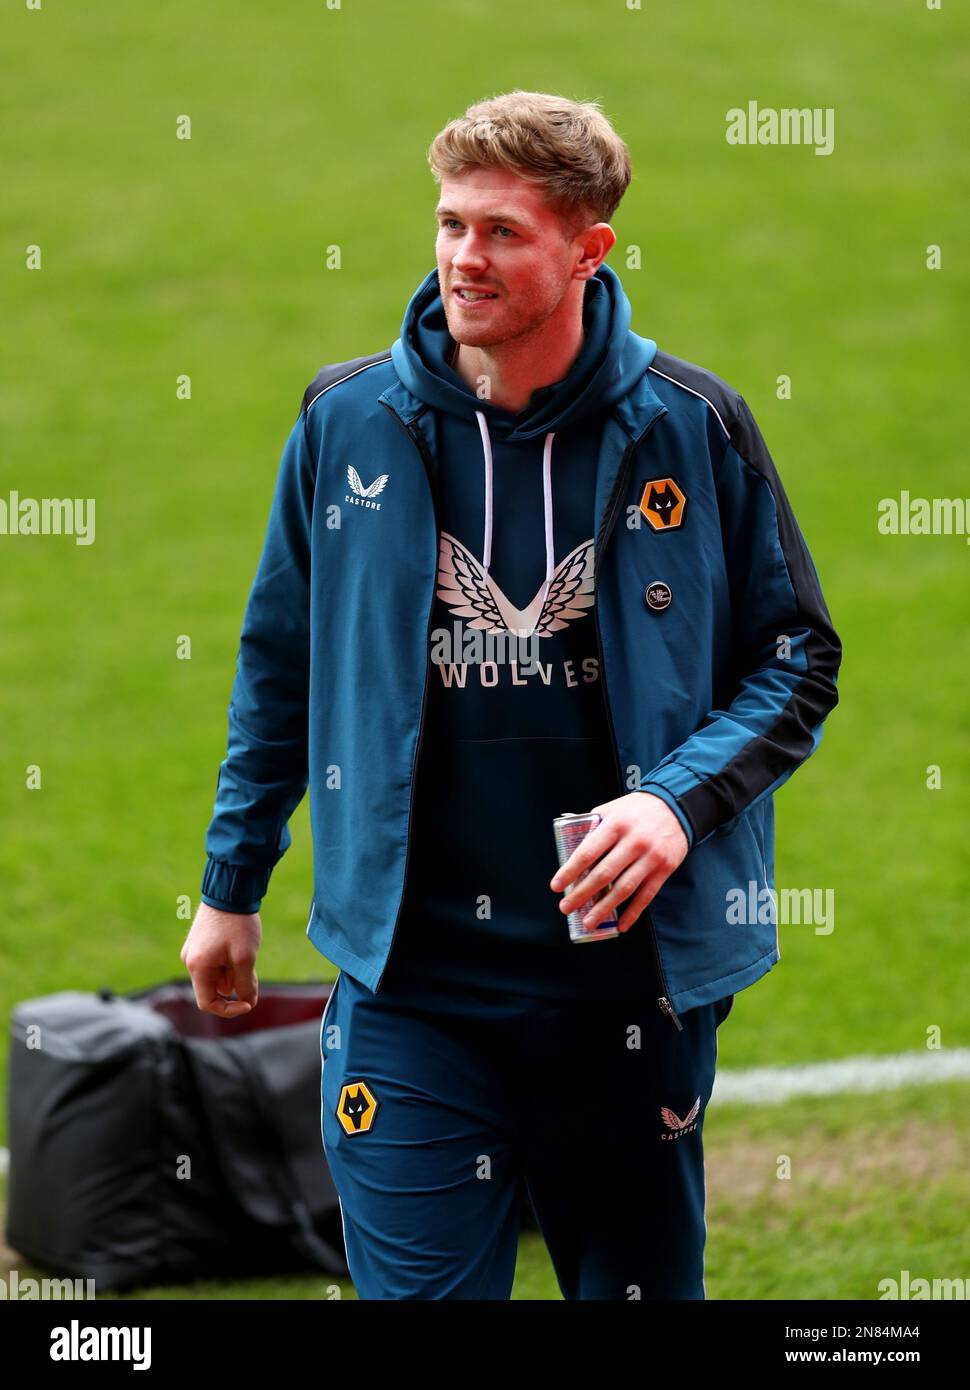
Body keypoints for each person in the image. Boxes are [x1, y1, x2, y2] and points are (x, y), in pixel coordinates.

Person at [181, 90, 841, 1299]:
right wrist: (230, 887)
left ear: (588, 250)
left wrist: (676, 805)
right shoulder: (346, 422)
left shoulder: (692, 427)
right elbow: (281, 665)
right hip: (411, 987)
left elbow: (797, 656)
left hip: (627, 992)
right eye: (448, 225)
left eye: (499, 232)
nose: (460, 259)